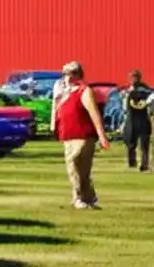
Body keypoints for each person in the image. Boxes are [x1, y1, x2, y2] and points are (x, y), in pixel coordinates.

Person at [54, 61, 110, 209]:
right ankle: (86, 198)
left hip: (83, 135)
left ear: (78, 75)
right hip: (67, 136)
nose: (67, 77)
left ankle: (81, 197)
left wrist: (102, 136)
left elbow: (94, 114)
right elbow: (58, 112)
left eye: (71, 74)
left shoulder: (84, 91)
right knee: (75, 167)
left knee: (78, 167)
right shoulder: (63, 93)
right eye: (65, 74)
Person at [122, 69, 152, 171]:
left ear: (139, 78)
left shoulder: (145, 89)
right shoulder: (127, 90)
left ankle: (144, 164)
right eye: (132, 77)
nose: (133, 79)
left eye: (135, 77)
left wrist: (147, 103)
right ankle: (132, 163)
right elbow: (124, 105)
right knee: (130, 142)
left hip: (142, 117)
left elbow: (152, 96)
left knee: (144, 143)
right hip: (131, 118)